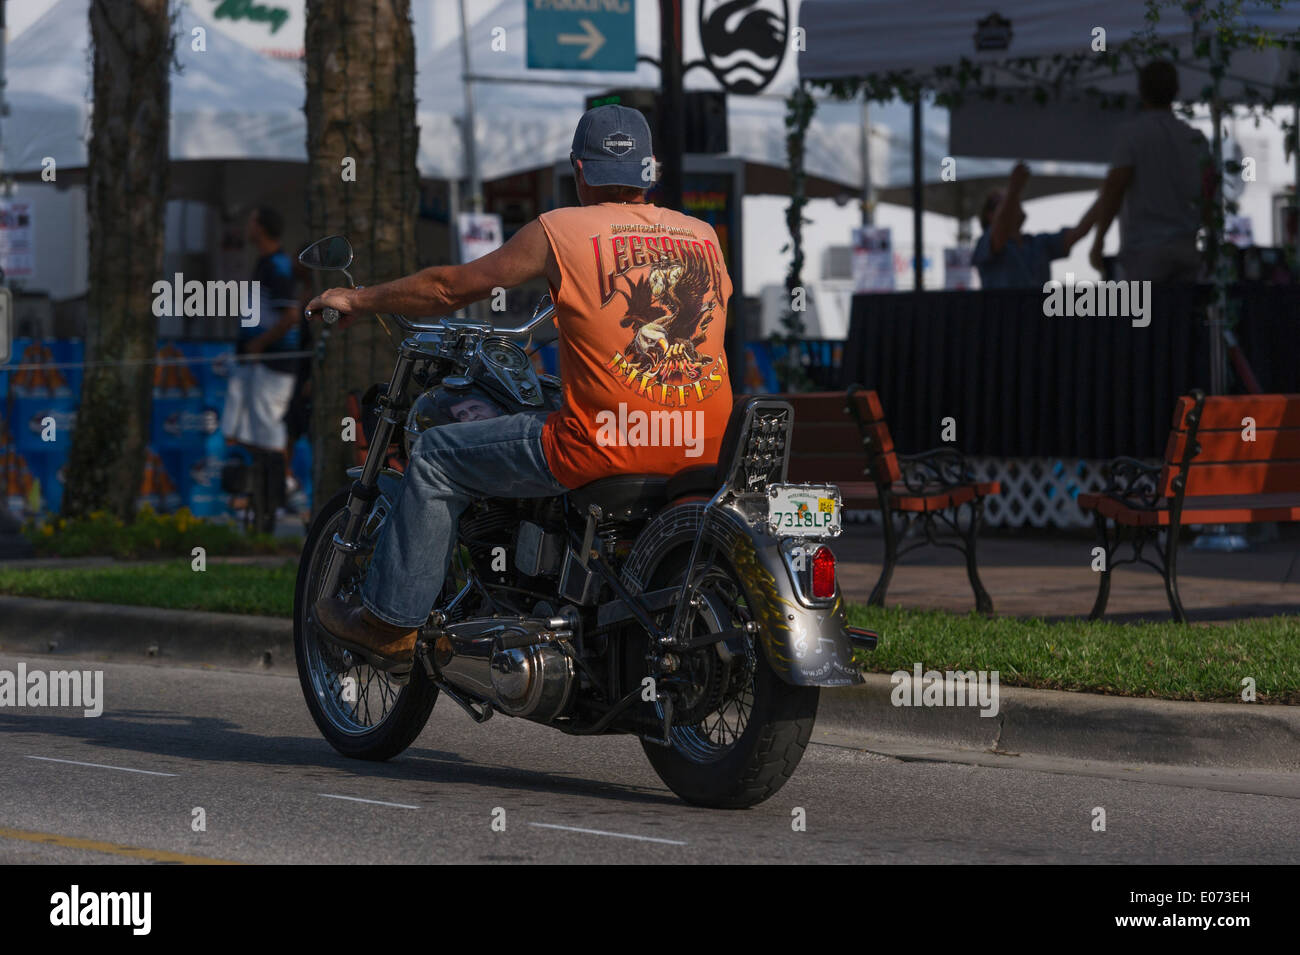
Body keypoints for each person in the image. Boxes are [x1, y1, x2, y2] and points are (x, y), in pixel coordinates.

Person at [308, 105, 734, 671]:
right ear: (648, 172)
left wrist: (358, 299)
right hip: (700, 448)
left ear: (580, 170)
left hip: (602, 447)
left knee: (435, 456)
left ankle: (388, 624)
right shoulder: (702, 235)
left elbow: (445, 289)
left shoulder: (560, 229)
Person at [1086, 60, 1213, 282]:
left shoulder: (1131, 135)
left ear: (1141, 91)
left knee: (1141, 314)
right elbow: (1209, 192)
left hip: (1144, 253)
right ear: (1176, 92)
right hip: (1186, 247)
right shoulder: (1196, 139)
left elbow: (1115, 187)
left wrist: (1099, 241)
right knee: (1183, 315)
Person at [222, 206, 303, 533]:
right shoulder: (265, 263)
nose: (247, 226)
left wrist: (261, 344)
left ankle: (283, 485)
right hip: (258, 362)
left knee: (267, 424)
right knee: (245, 426)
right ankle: (270, 488)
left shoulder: (279, 266)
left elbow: (290, 315)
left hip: (275, 362)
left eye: (252, 221)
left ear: (262, 227)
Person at [972, 161, 1097, 289]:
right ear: (990, 216)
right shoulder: (984, 244)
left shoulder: (1038, 243)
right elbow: (999, 232)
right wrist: (1014, 190)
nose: (1014, 202)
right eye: (1003, 202)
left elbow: (1079, 231)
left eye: (1013, 199)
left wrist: (1108, 195)